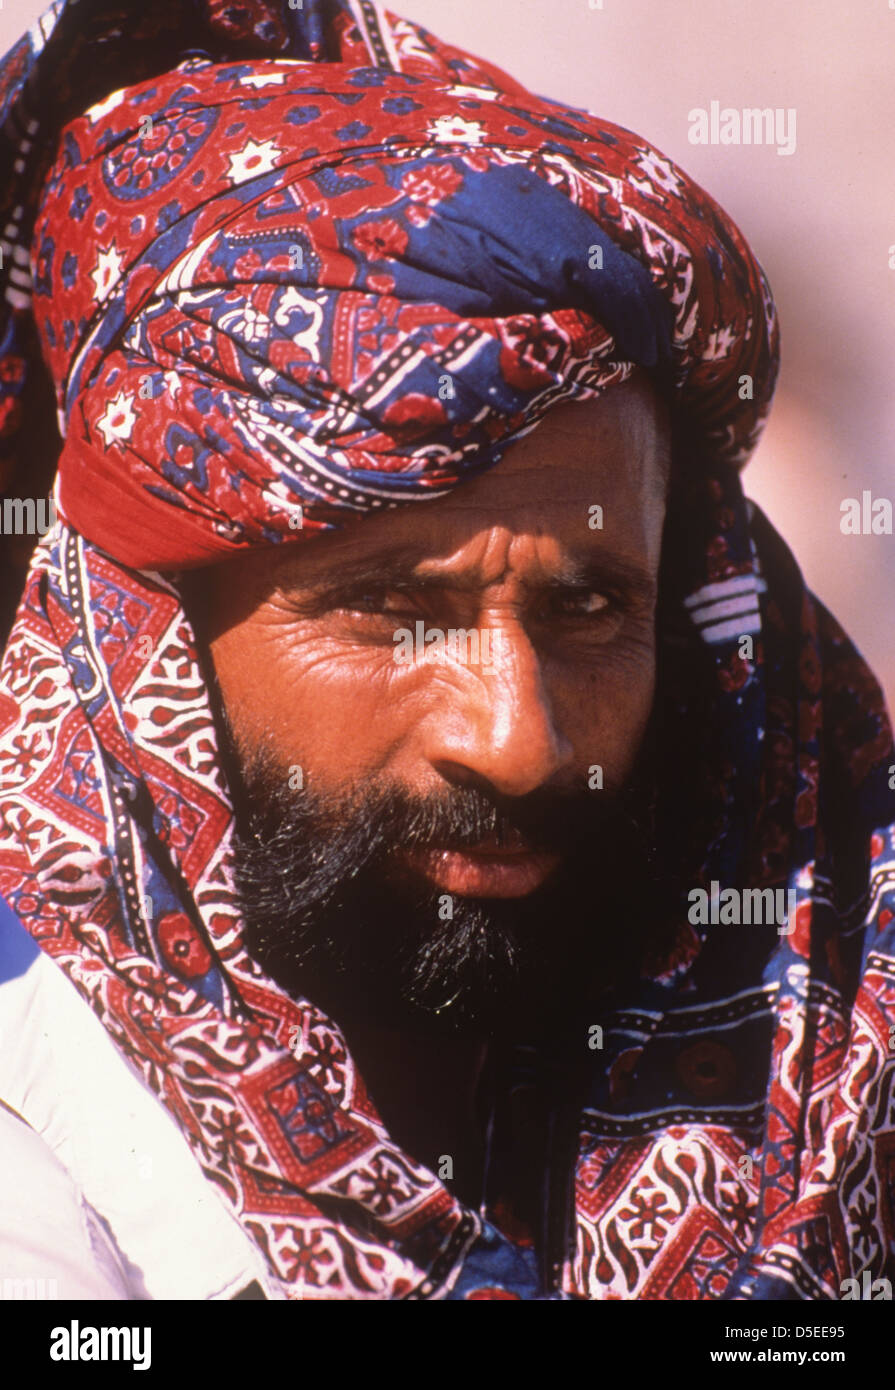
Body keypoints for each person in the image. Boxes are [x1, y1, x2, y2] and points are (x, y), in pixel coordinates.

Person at [0, 0, 892, 1301]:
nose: (519, 739)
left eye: (590, 608)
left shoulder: (822, 1077)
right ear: (149, 642)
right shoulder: (46, 1197)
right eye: (389, 611)